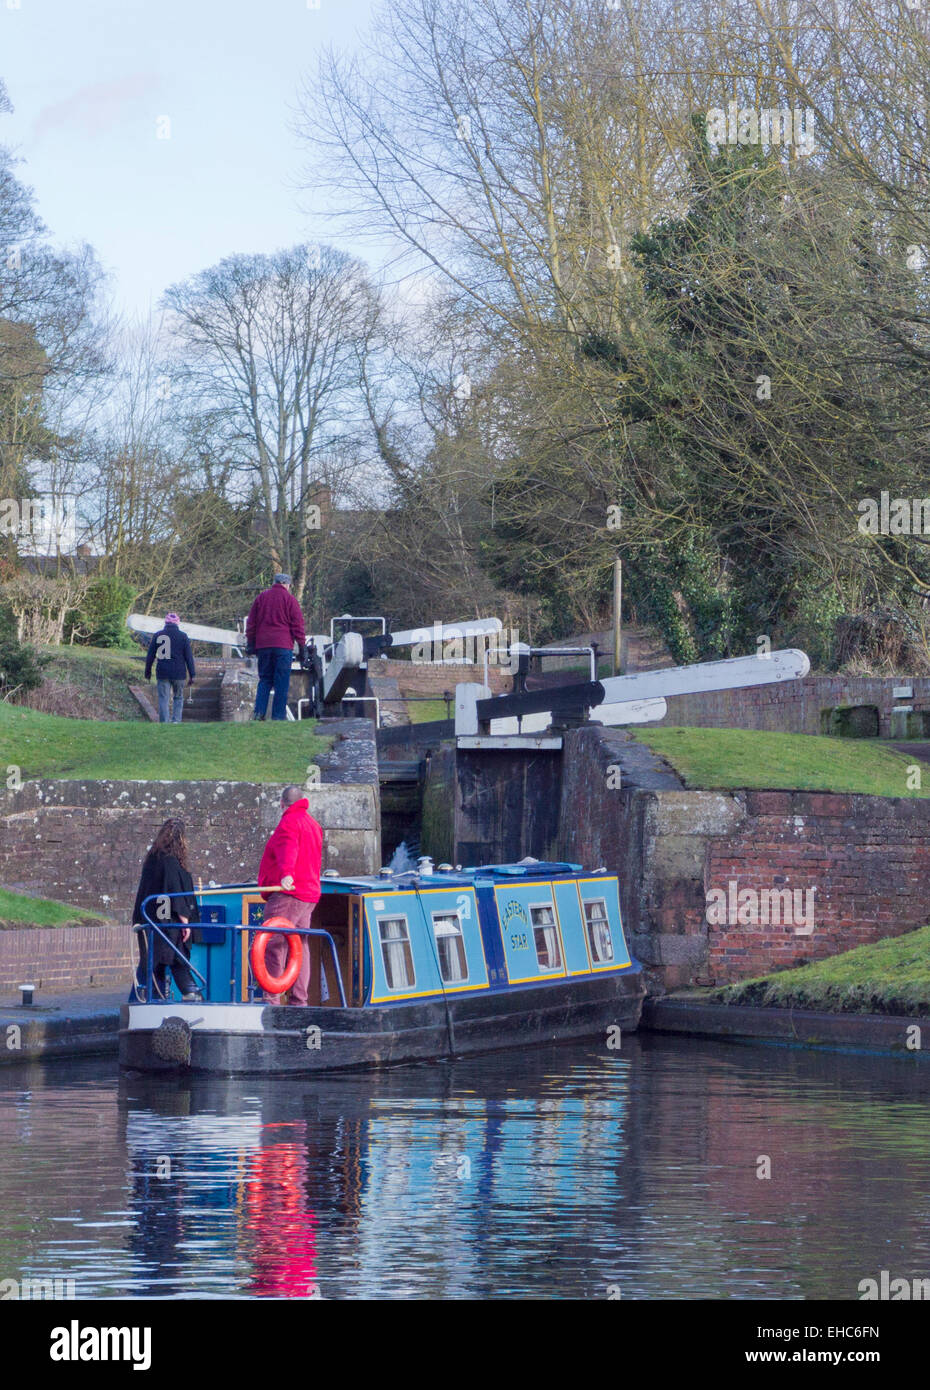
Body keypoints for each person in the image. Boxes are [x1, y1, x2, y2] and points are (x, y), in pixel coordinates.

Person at [257, 785, 324, 1006]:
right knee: (299, 944)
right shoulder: (313, 825)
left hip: (289, 894)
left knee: (273, 942)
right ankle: (299, 1000)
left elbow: (289, 849)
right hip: (309, 895)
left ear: (282, 803)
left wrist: (286, 874)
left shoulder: (289, 822)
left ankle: (272, 1000)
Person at [130, 818, 203, 1002]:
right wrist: (184, 919)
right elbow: (174, 890)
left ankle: (145, 1000)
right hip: (166, 921)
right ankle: (191, 993)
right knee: (172, 958)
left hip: (150, 919)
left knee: (153, 962)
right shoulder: (171, 862)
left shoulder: (153, 859)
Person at [245, 574, 306, 721]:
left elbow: (251, 623)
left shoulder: (261, 598)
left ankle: (259, 714)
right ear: (287, 585)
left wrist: (251, 642)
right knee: (281, 682)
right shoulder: (290, 600)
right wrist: (302, 646)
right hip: (283, 646)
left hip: (264, 646)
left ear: (274, 583)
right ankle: (278, 717)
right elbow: (297, 625)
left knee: (265, 679)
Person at [144, 613, 196, 723]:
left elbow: (150, 656)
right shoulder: (183, 636)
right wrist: (192, 675)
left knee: (163, 698)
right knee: (178, 697)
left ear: (165, 622)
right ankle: (176, 721)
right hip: (179, 672)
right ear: (178, 623)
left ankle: (164, 722)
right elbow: (189, 657)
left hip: (163, 672)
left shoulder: (158, 635)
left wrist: (147, 672)